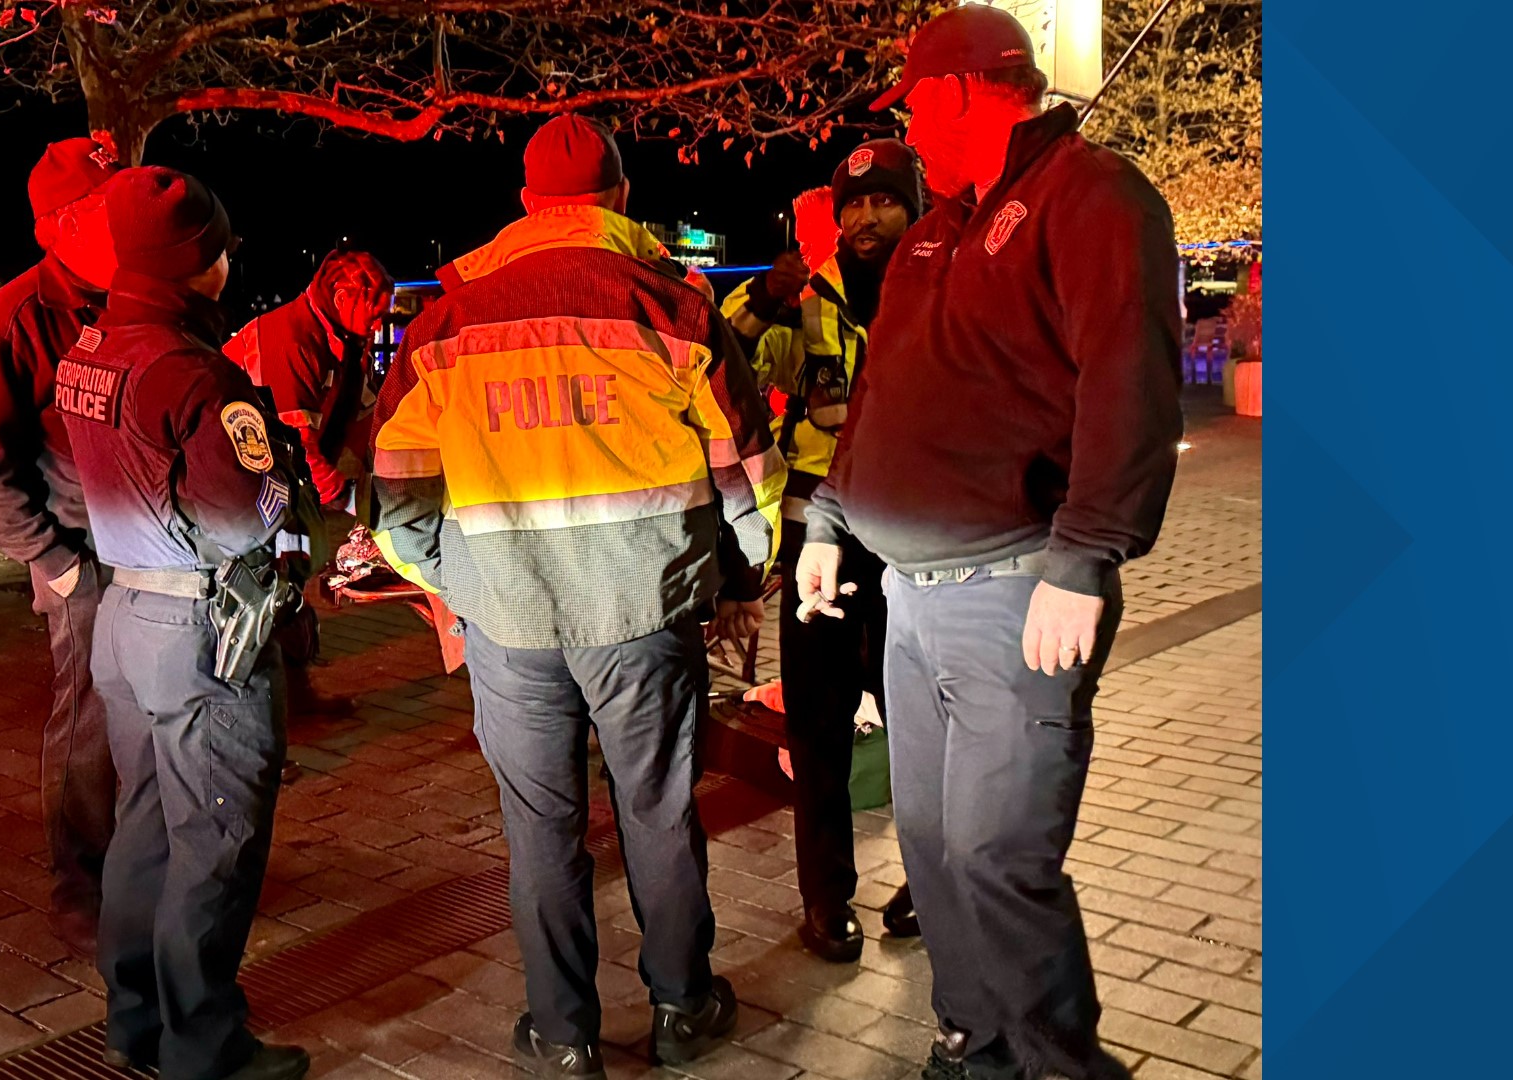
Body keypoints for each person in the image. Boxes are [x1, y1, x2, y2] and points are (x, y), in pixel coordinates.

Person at [798, 6, 1184, 1078]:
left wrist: (1086, 554)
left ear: (962, 92)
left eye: (916, 106)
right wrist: (830, 517)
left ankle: (1058, 1065)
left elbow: (1130, 383)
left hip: (1014, 592)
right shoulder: (934, 232)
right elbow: (881, 395)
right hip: (909, 602)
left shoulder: (1091, 195)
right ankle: (975, 1046)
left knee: (998, 857)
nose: (910, 130)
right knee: (932, 848)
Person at [371, 114, 783, 1079]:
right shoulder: (675, 309)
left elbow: (394, 498)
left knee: (539, 828)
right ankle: (684, 1007)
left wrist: (457, 584)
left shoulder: (445, 324)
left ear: (526, 205)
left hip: (508, 622)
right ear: (622, 198)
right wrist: (741, 581)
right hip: (643, 615)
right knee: (658, 812)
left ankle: (562, 1035)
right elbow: (750, 478)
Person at [58, 165, 315, 1080]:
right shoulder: (194, 371)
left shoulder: (91, 350)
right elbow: (245, 518)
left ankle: (134, 1017)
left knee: (146, 825)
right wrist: (282, 470)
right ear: (195, 260)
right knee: (215, 837)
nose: (229, 265)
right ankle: (204, 1045)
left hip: (124, 616)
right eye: (222, 250)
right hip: (201, 630)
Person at [719, 142, 925, 964]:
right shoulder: (805, 301)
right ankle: (825, 897)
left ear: (912, 207)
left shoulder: (943, 283)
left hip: (918, 542)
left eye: (884, 200)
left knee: (926, 725)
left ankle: (928, 881)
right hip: (818, 548)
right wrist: (764, 298)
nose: (866, 217)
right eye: (853, 205)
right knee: (818, 728)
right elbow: (726, 363)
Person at [0, 137, 122, 957]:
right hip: (83, 555)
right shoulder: (14, 315)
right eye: (105, 208)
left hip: (155, 550)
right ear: (59, 225)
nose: (124, 220)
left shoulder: (136, 299)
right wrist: (52, 563)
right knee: (88, 722)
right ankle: (81, 886)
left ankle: (145, 869)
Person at [223, 250, 393, 680]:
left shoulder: (344, 341)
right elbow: (294, 443)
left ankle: (288, 661)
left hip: (274, 481)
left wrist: (392, 472)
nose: (380, 325)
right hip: (249, 484)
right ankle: (273, 668)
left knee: (294, 559)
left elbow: (367, 421)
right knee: (274, 565)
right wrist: (349, 498)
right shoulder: (291, 340)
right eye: (374, 313)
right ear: (342, 298)